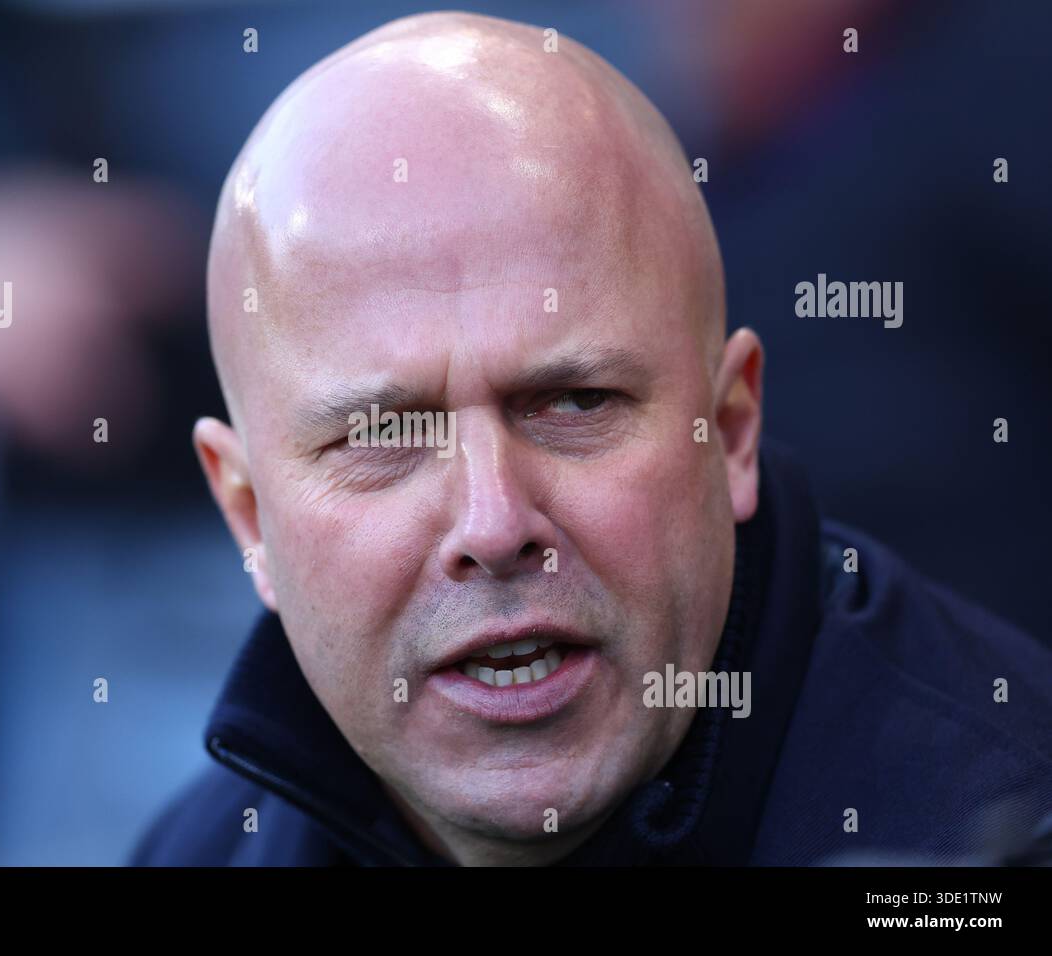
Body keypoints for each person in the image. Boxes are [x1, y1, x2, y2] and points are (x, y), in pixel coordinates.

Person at [133, 11, 1051, 866]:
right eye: (383, 435)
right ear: (247, 515)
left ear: (731, 431)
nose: (493, 526)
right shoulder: (201, 849)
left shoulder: (985, 835)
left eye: (573, 404)